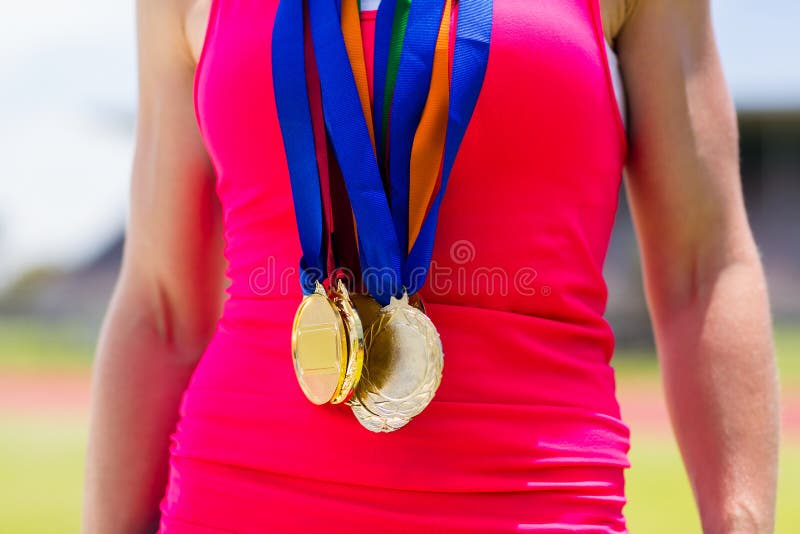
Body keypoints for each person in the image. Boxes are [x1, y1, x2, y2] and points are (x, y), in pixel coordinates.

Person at [82, 0, 780, 532]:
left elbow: (704, 264)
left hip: (536, 499)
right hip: (236, 496)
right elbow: (159, 301)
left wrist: (742, 519)